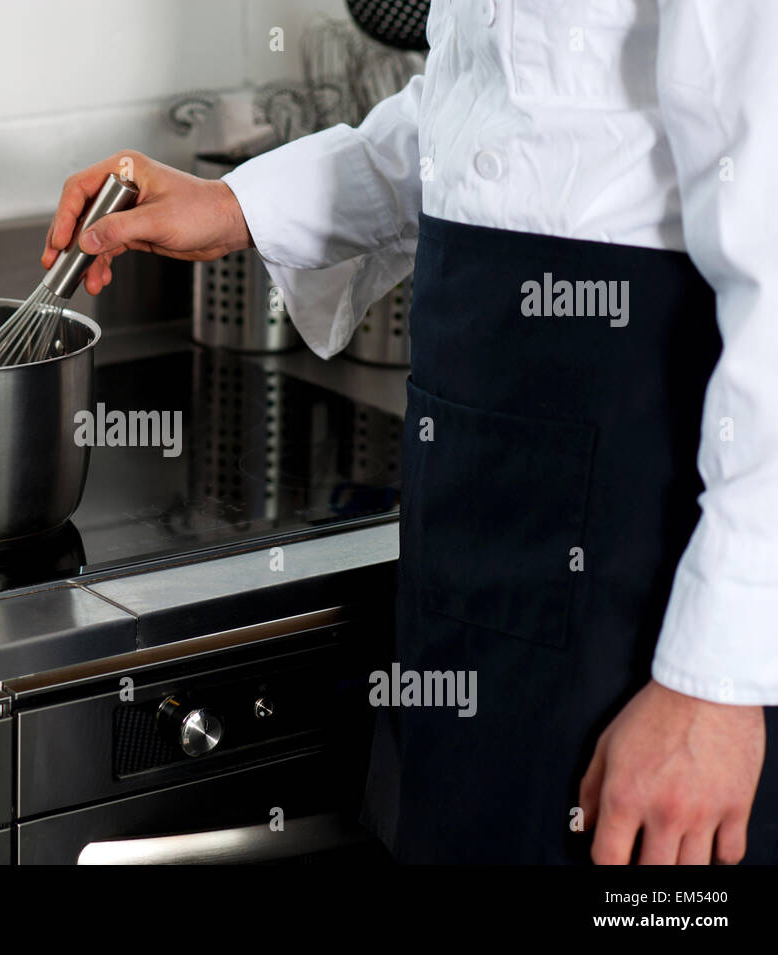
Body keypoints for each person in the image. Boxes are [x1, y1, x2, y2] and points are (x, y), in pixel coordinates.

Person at [42, 1, 778, 864]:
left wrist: (715, 686)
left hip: (642, 556)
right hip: (483, 506)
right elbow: (491, 118)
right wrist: (237, 203)